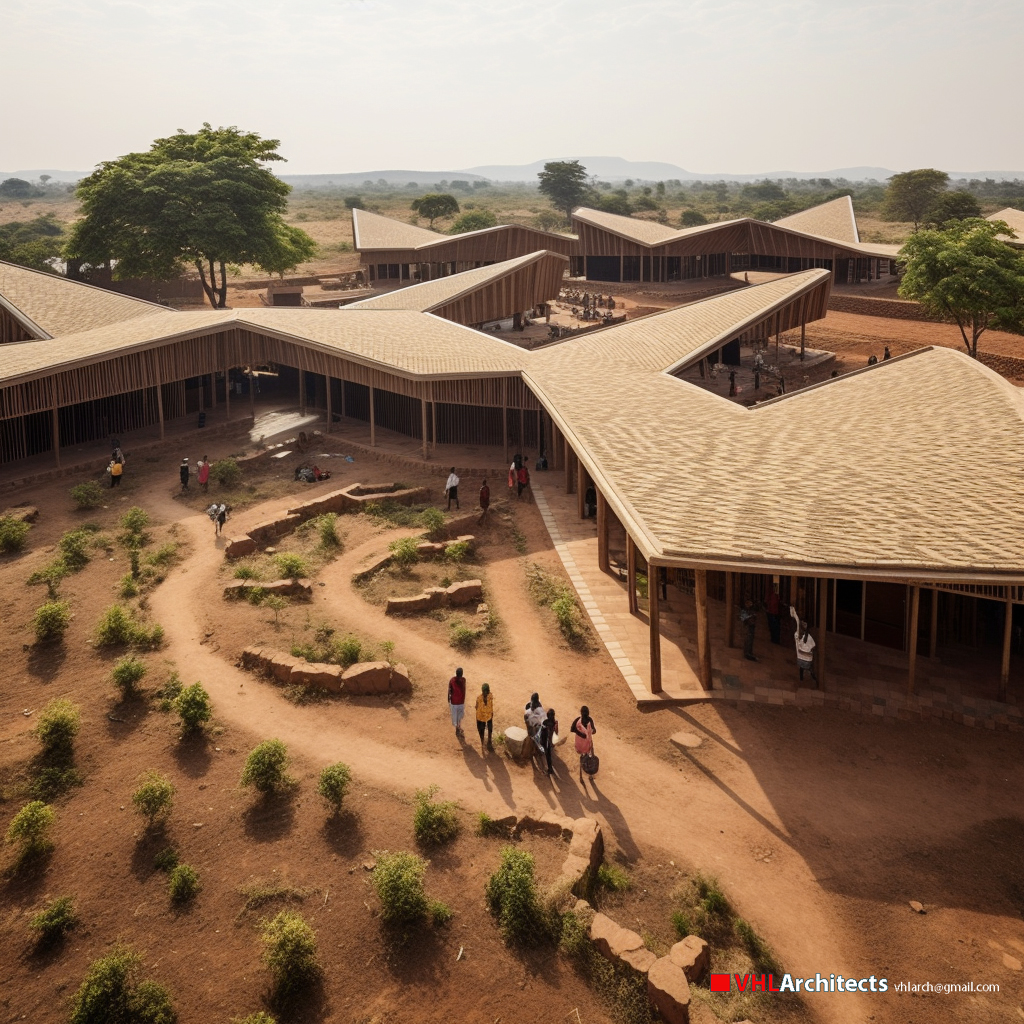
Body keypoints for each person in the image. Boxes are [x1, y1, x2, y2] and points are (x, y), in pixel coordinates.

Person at [790, 606, 817, 683]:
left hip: (801, 656)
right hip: (806, 657)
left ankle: (802, 678)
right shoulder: (806, 635)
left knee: (802, 668)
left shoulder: (800, 634)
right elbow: (813, 645)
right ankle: (810, 677)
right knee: (808, 667)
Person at [570, 706, 597, 783]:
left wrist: (581, 733)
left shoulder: (578, 720)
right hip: (586, 743)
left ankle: (581, 776)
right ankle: (590, 775)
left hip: (580, 743)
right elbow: (594, 730)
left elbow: (572, 729)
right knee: (590, 756)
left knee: (582, 757)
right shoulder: (589, 720)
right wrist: (585, 733)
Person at [537, 708, 558, 777]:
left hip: (545, 739)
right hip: (549, 740)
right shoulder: (554, 722)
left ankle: (549, 769)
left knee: (545, 751)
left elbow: (541, 730)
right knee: (548, 754)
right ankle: (550, 768)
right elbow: (556, 732)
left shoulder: (545, 722)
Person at [448, 667, 466, 740]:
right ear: (462, 674)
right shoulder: (464, 680)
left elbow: (449, 691)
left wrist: (449, 700)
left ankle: (457, 728)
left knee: (455, 716)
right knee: (459, 716)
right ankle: (458, 728)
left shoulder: (452, 680)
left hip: (454, 702)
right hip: (461, 701)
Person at [475, 683, 493, 751]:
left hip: (481, 717)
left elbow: (476, 707)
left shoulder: (479, 698)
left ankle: (483, 742)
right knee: (490, 728)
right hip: (488, 716)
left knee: (481, 730)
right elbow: (491, 705)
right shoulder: (490, 695)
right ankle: (489, 741)